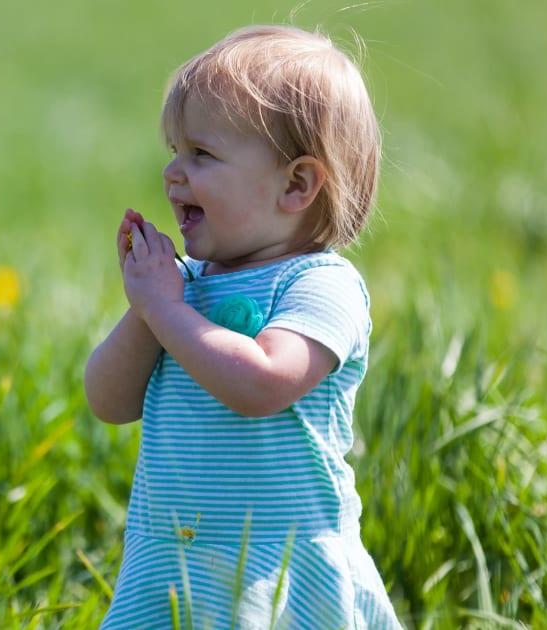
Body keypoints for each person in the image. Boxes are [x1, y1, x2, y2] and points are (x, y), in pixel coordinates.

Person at [84, 24, 403, 628]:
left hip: (280, 569)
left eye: (201, 153)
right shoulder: (185, 285)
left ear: (297, 184)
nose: (173, 173)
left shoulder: (319, 285)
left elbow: (261, 384)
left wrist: (169, 310)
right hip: (170, 562)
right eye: (174, 151)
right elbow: (108, 400)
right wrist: (147, 308)